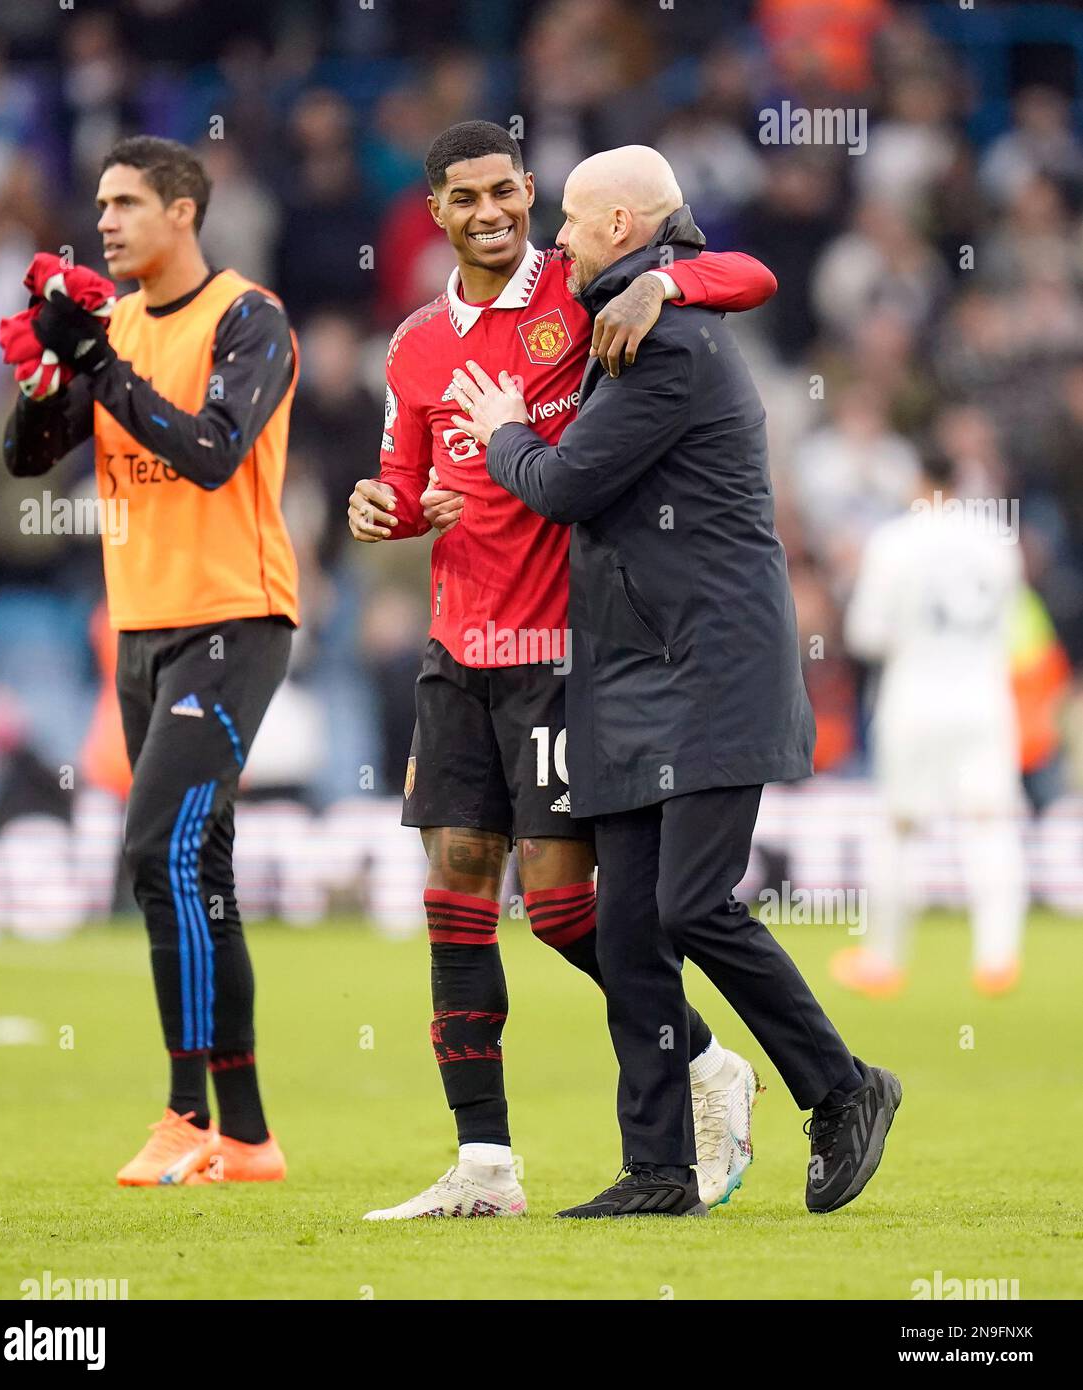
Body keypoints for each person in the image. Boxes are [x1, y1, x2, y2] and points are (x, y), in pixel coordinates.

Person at [453, 145, 901, 1218]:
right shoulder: (638, 320)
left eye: (567, 218)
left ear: (617, 227)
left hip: (711, 667)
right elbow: (725, 268)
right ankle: (659, 1167)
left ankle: (843, 1088)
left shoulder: (669, 345)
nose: (553, 237)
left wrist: (500, 431)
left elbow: (562, 484)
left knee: (693, 902)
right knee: (627, 930)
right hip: (632, 669)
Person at [348, 121, 777, 1219]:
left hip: (562, 654)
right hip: (456, 649)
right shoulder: (410, 345)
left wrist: (663, 291)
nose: (490, 212)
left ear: (532, 193)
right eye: (465, 198)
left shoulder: (584, 293)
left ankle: (705, 1057)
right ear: (433, 212)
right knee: (452, 896)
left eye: (506, 192)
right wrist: (381, 510)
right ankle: (484, 1165)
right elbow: (402, 483)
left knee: (556, 909)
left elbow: (748, 271)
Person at [3, 136, 299, 1186]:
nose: (107, 220)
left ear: (184, 211)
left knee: (153, 853)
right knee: (199, 872)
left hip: (235, 620)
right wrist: (50, 372)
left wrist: (95, 366)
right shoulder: (114, 327)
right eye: (100, 203)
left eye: (126, 202)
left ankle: (182, 1113)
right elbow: (27, 458)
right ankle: (251, 1138)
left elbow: (214, 450)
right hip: (142, 629)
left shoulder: (247, 317)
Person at [835, 451, 1027, 997]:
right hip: (984, 698)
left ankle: (884, 961)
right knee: (991, 824)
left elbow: (867, 633)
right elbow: (1012, 627)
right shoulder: (997, 541)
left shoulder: (894, 542)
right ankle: (996, 957)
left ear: (919, 480)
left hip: (913, 700)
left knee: (900, 831)